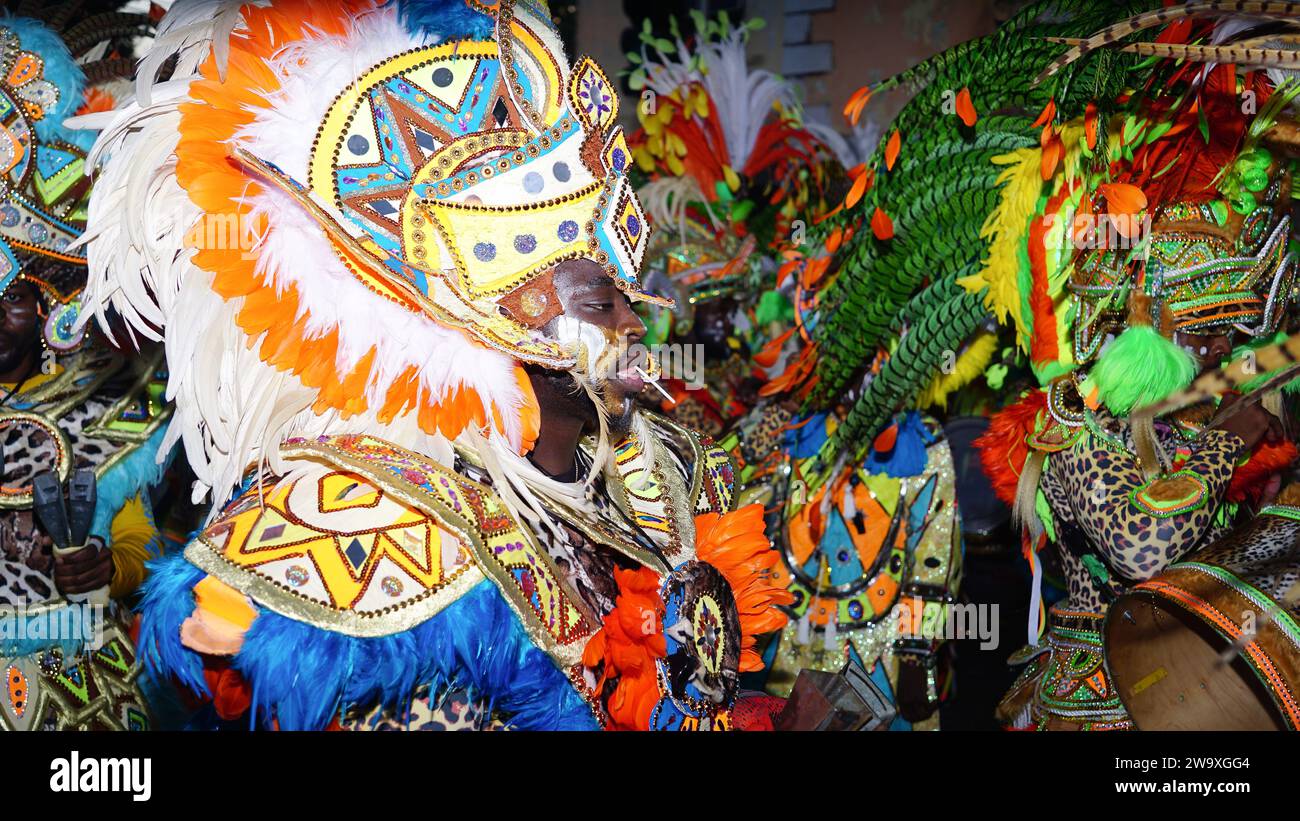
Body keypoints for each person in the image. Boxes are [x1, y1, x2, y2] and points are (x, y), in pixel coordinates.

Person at [82, 0, 792, 731]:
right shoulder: (393, 517)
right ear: (511, 317)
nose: (636, 324)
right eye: (604, 301)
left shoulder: (651, 475)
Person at [0, 12, 170, 731]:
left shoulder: (112, 402)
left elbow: (142, 547)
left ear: (46, 307)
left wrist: (103, 563)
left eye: (9, 299)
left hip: (75, 691)